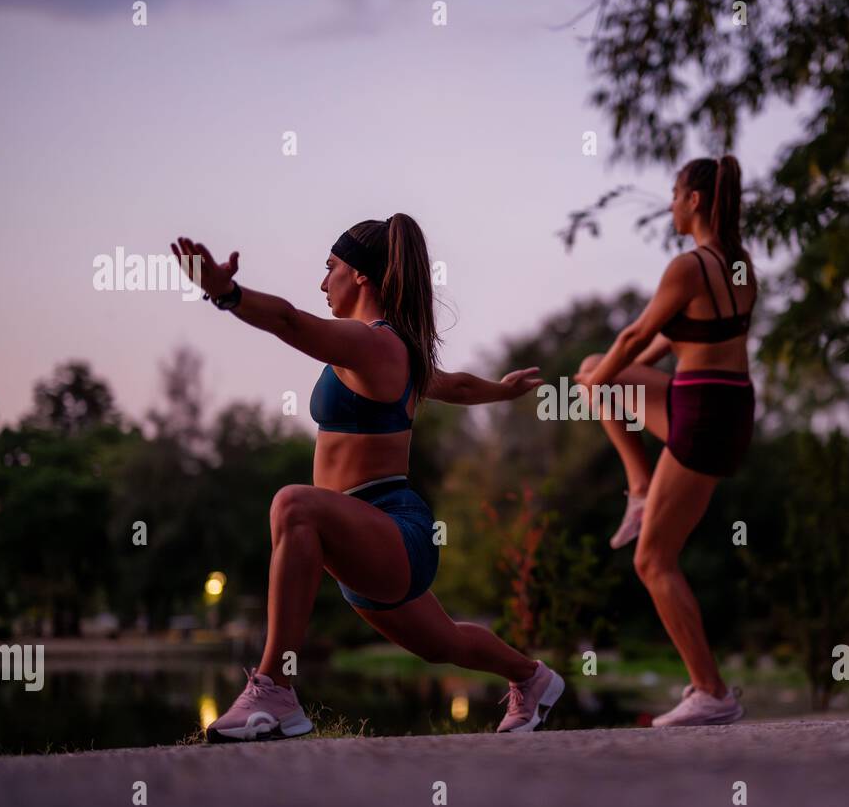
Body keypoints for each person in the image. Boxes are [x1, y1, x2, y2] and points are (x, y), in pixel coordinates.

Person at [170, 217, 565, 741]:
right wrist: (501, 390)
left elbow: (289, 321)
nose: (322, 281)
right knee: (441, 643)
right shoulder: (391, 350)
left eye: (330, 268)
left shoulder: (375, 345)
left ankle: (274, 690)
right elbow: (456, 386)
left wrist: (228, 293)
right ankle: (532, 678)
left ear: (360, 277)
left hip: (391, 527)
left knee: (294, 505)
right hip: (362, 539)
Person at [575, 155, 755, 727]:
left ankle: (711, 692)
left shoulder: (687, 266)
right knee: (593, 363)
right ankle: (639, 487)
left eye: (676, 194)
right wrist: (603, 377)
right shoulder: (740, 265)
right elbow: (666, 346)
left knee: (653, 561)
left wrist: (597, 386)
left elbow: (635, 333)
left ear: (695, 200)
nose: (671, 204)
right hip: (724, 406)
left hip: (700, 413)